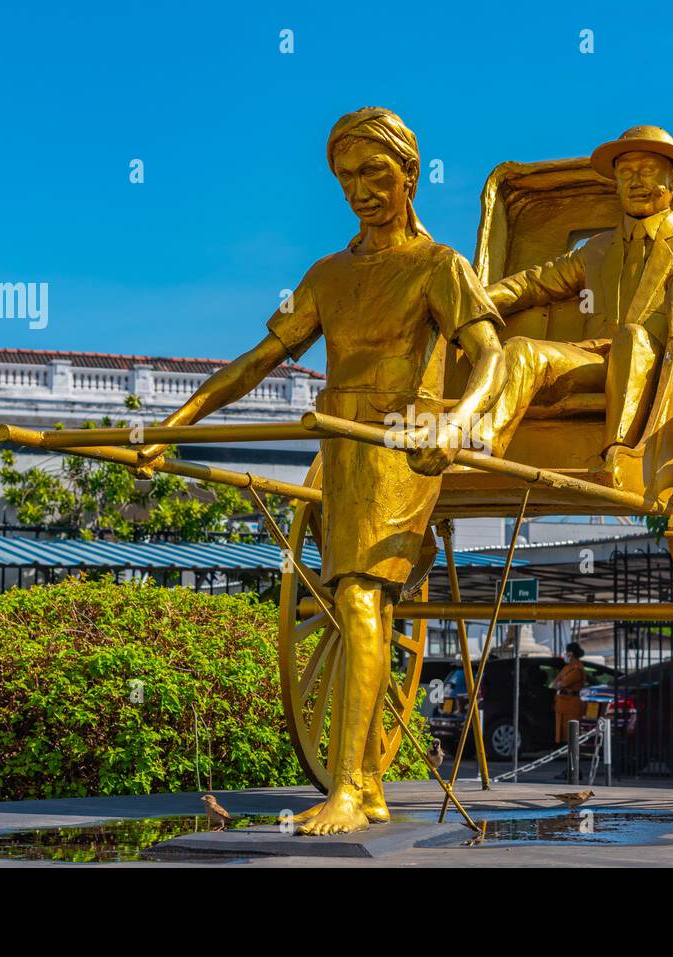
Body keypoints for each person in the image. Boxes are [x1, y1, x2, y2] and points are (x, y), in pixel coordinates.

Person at [135, 107, 506, 834]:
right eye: (345, 178)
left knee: (361, 594)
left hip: (406, 438)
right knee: (351, 600)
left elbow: (489, 354)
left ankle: (345, 789)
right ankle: (366, 783)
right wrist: (175, 426)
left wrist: (459, 420)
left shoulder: (439, 266)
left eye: (374, 173)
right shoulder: (327, 275)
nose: (361, 190)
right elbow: (258, 360)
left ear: (410, 175)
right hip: (341, 444)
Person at [478, 126, 673, 480]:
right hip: (594, 358)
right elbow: (535, 283)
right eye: (625, 173)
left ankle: (619, 456)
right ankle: (482, 451)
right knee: (520, 350)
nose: (635, 181)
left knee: (632, 338)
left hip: (663, 367)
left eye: (647, 171)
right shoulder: (597, 250)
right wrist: (474, 303)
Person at [552, 642, 588, 744]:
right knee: (562, 731)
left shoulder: (577, 669)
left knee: (570, 732)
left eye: (566, 652)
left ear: (571, 653)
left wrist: (560, 683)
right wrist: (559, 683)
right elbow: (555, 683)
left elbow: (562, 684)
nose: (565, 654)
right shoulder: (567, 667)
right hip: (562, 704)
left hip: (572, 704)